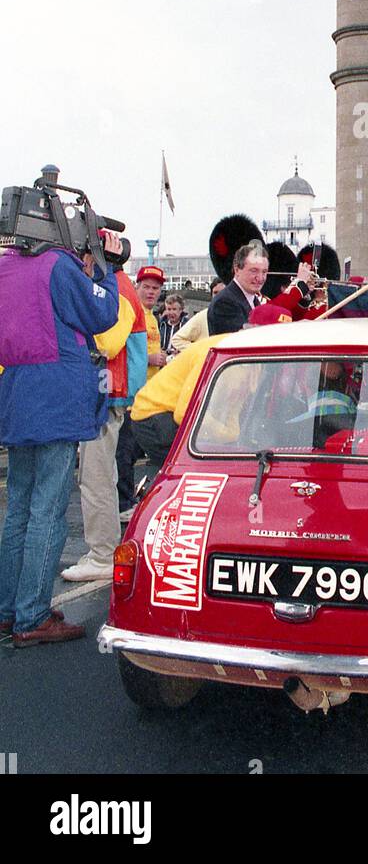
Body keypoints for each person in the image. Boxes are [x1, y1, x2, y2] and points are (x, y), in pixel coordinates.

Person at [0, 230, 121, 646]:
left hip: (17, 391)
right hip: (57, 393)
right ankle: (32, 615)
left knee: (18, 507)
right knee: (48, 509)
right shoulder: (57, 264)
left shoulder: (5, 265)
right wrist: (107, 268)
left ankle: (10, 608)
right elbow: (102, 313)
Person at [61, 263, 148, 581]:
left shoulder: (118, 287)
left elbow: (109, 343)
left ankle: (102, 554)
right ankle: (103, 549)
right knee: (101, 475)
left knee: (95, 476)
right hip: (112, 390)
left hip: (108, 390)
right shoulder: (122, 284)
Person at [129, 333, 232, 489]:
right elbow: (184, 412)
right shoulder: (214, 353)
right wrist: (226, 434)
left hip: (159, 411)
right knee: (188, 473)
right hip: (155, 415)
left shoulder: (228, 348)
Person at [208, 240, 269, 332]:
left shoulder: (254, 300)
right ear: (237, 270)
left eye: (264, 272)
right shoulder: (224, 303)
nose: (260, 278)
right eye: (254, 271)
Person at [167, 280, 225, 354]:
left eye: (223, 292)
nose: (219, 296)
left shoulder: (239, 315)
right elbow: (177, 339)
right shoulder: (202, 317)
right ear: (211, 295)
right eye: (215, 293)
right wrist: (199, 351)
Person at [135, 265, 166, 378]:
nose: (151, 292)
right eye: (146, 287)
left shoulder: (153, 317)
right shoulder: (132, 313)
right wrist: (148, 359)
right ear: (137, 288)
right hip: (134, 385)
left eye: (155, 288)